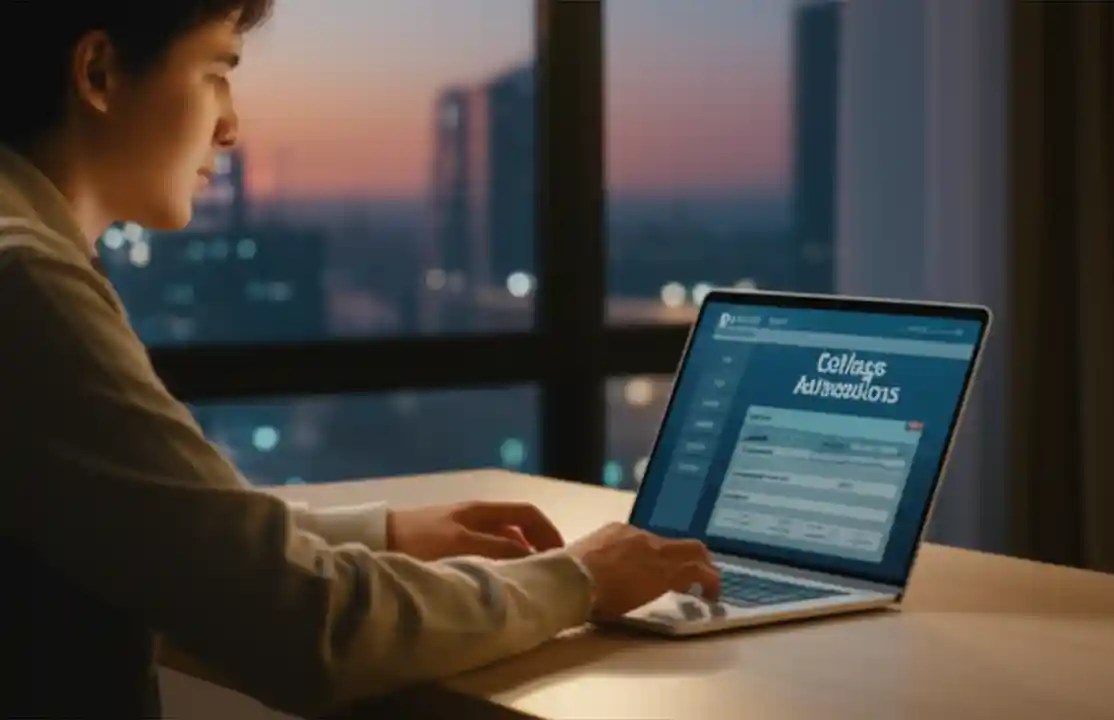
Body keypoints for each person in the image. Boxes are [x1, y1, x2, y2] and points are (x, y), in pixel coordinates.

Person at [0, 1, 721, 717]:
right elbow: (303, 623)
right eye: (217, 71)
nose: (230, 126)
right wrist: (578, 579)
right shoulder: (26, 286)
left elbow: (167, 533)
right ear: (97, 73)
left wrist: (389, 534)